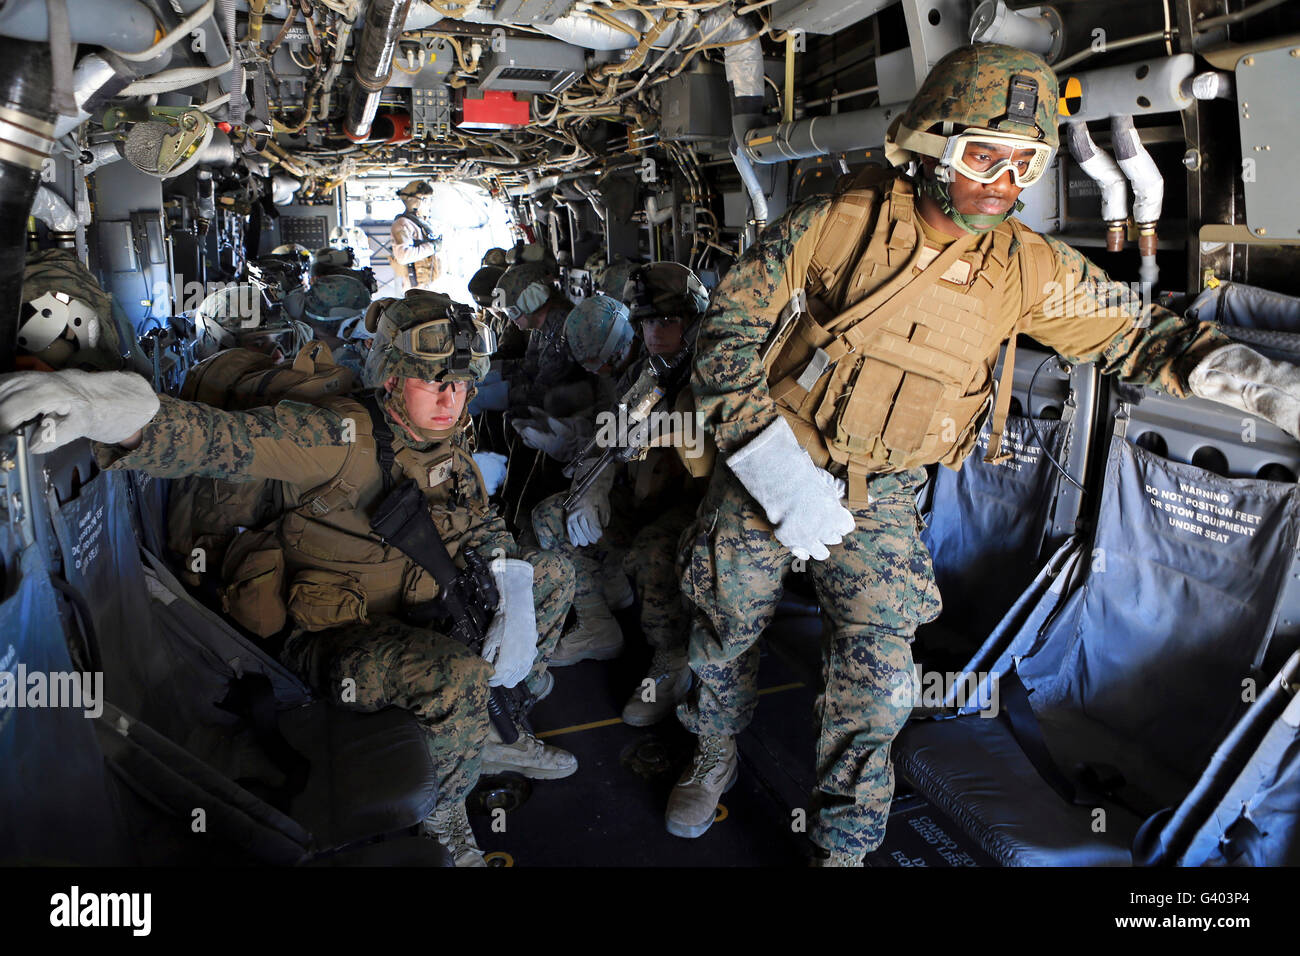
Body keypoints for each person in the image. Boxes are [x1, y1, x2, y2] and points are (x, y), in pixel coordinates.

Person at [664, 42, 1300, 865]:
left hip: (880, 490)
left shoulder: (1025, 270)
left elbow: (1137, 335)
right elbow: (726, 337)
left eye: (1024, 165)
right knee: (724, 627)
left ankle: (843, 846)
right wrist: (772, 466)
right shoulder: (833, 225)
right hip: (770, 466)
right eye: (982, 157)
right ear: (931, 145)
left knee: (881, 674)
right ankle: (713, 754)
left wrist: (1264, 388)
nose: (1002, 183)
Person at [0, 289, 580, 867]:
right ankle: (446, 813)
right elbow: (226, 442)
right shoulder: (338, 438)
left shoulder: (447, 438)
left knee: (552, 571)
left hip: (426, 608)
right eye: (432, 382)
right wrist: (126, 420)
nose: (450, 400)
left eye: (458, 385)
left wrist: (515, 587)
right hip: (338, 641)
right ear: (392, 378)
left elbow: (478, 522)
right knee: (456, 676)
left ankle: (493, 734)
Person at [531, 265, 711, 729]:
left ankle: (671, 664)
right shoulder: (646, 372)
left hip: (698, 512)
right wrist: (596, 481)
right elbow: (614, 431)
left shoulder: (717, 372)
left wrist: (667, 431)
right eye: (647, 323)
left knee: (654, 552)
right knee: (554, 515)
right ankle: (598, 625)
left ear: (692, 321)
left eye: (667, 321)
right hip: (645, 500)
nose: (655, 333)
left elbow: (714, 446)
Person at [390, 180, 442, 294]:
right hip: (417, 291)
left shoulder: (424, 223)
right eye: (426, 200)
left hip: (431, 286)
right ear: (415, 202)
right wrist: (432, 247)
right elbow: (403, 256)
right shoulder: (402, 224)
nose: (430, 204)